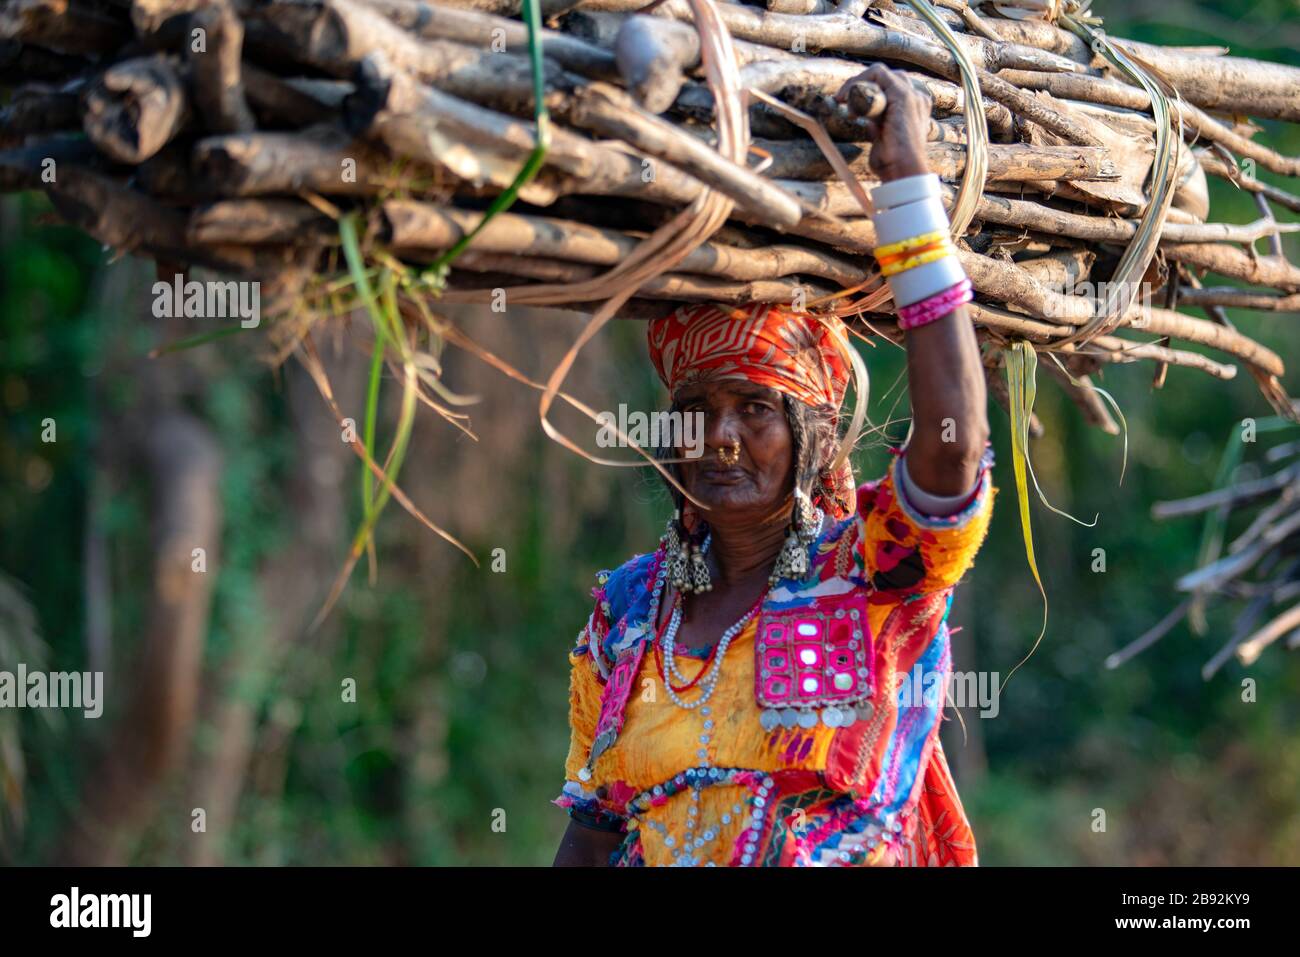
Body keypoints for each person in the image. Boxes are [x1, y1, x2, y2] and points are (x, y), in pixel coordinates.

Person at [552, 64, 996, 866]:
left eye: (756, 409)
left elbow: (954, 447)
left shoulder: (867, 574)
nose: (720, 437)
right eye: (698, 409)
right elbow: (591, 833)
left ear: (812, 438)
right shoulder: (626, 616)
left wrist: (904, 192)